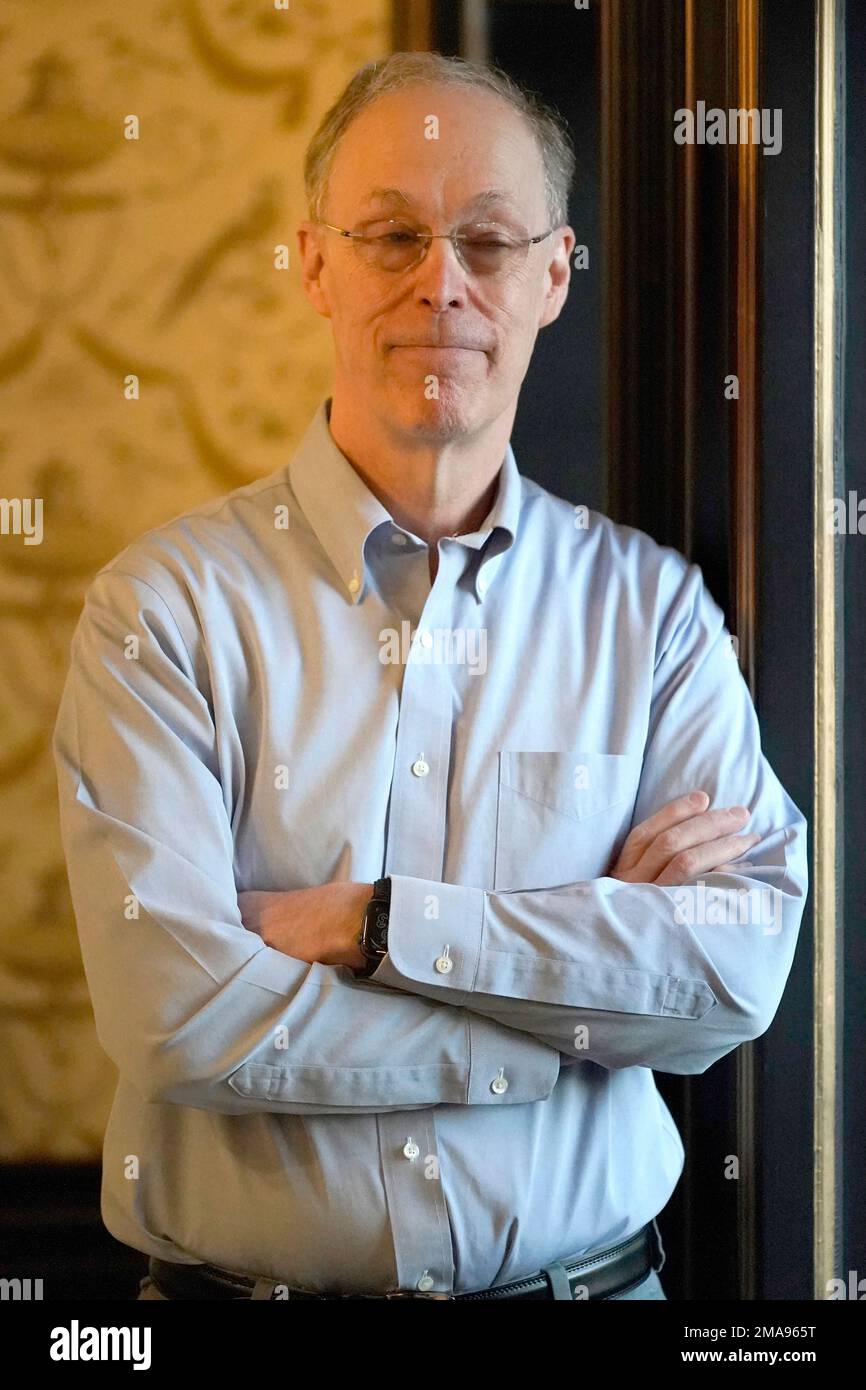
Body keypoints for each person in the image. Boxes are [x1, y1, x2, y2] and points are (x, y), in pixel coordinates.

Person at [53, 52, 807, 1302]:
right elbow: (175, 1014)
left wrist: (375, 926)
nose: (439, 284)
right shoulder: (164, 611)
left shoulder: (655, 616)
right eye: (391, 234)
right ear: (313, 264)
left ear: (554, 273)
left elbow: (731, 973)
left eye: (490, 240)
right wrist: (572, 1013)